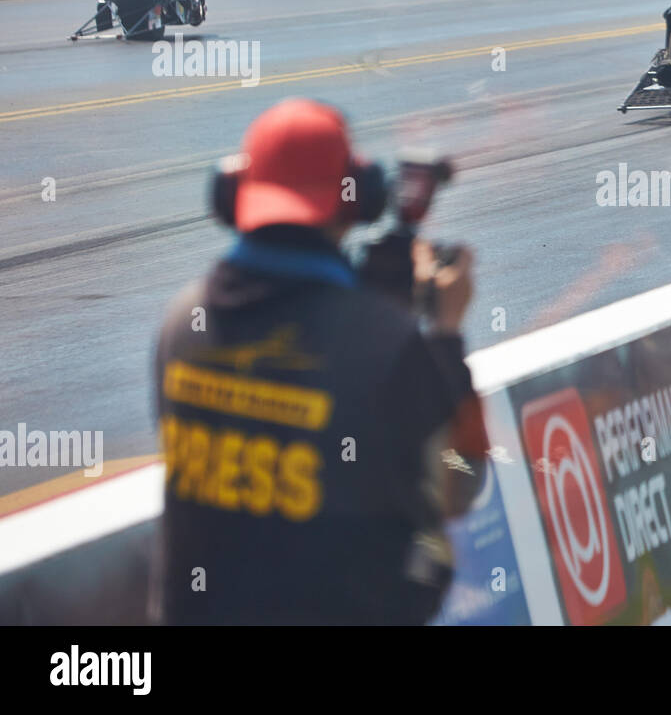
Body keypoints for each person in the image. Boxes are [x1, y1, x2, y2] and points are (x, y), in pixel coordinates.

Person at [150, 99, 488, 623]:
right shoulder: (386, 344)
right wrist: (443, 335)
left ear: (234, 193)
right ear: (358, 198)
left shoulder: (181, 323)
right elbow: (462, 481)